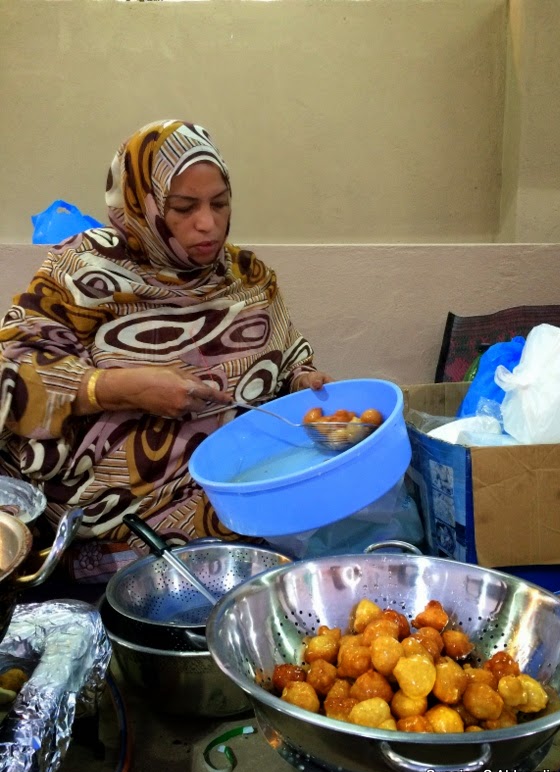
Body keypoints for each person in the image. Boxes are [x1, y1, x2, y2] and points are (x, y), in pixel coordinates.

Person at [0, 120, 331, 583]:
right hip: (105, 536)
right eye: (183, 207)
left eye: (220, 203)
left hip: (234, 515)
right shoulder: (81, 271)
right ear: (142, 205)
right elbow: (11, 378)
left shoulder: (247, 276)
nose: (208, 223)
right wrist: (114, 389)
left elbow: (285, 356)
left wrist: (303, 380)